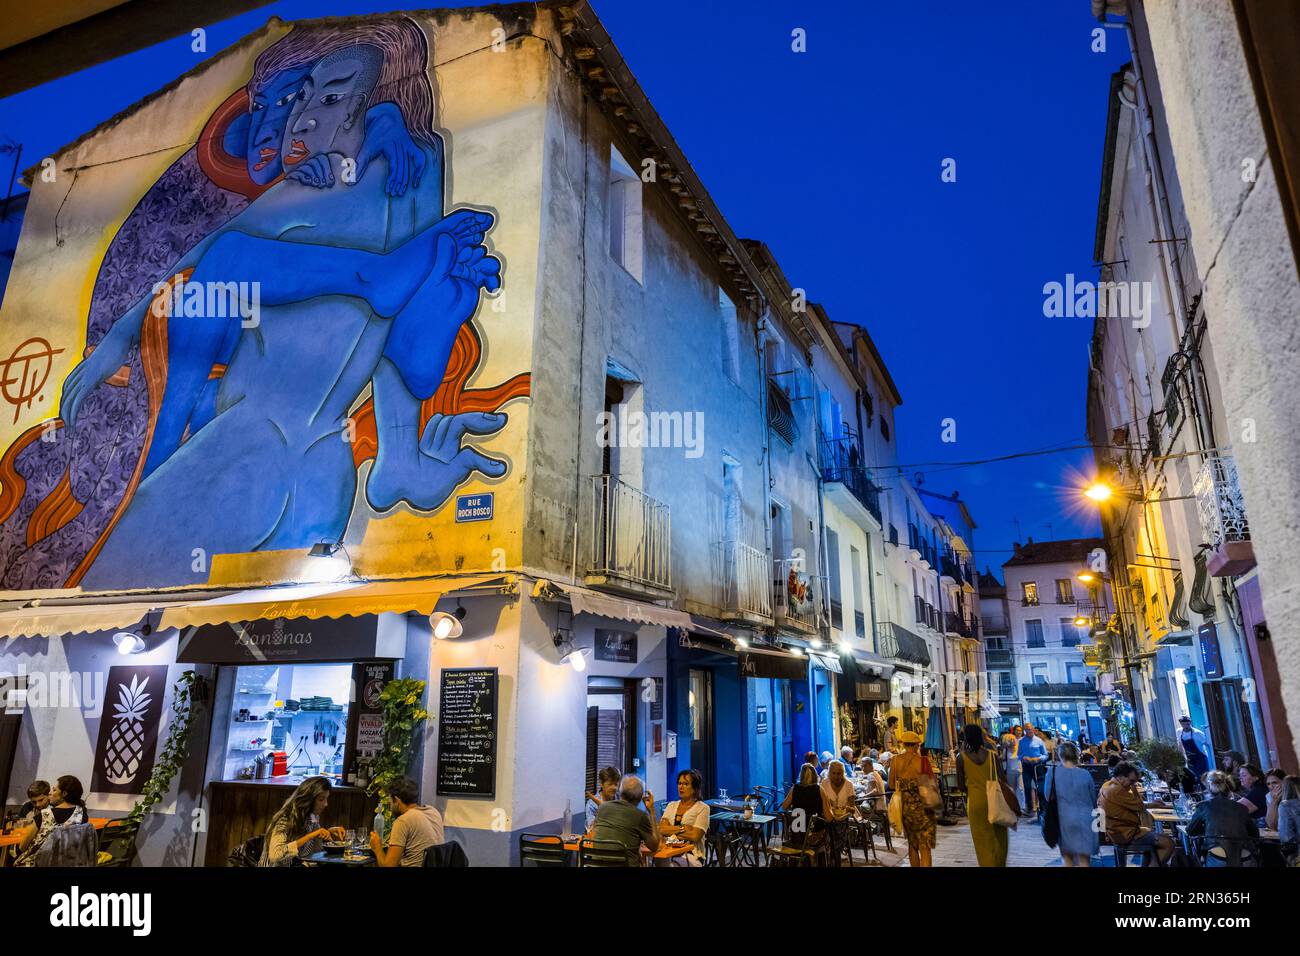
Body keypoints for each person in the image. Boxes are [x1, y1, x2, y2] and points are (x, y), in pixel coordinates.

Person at [1097, 762, 1174, 866]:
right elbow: (1139, 806)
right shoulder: (1117, 790)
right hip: (1125, 834)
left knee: (1151, 833)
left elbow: (1136, 805)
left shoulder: (1106, 786)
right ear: (1121, 777)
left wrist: (1152, 804)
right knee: (1168, 842)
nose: (1132, 784)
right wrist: (1134, 789)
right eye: (1132, 781)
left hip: (1115, 831)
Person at [259, 776, 346, 866]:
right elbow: (275, 855)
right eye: (321, 799)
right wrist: (311, 835)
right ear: (309, 799)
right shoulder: (285, 819)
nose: (326, 804)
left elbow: (317, 848)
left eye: (326, 798)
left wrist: (329, 832)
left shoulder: (312, 816)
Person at [955, 723, 1008, 866]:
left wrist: (972, 788)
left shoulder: (961, 758)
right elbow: (1003, 779)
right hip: (994, 800)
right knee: (998, 838)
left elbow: (960, 785)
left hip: (976, 802)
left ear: (965, 738)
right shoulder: (992, 755)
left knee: (982, 842)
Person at [1185, 770, 1258, 866]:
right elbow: (1255, 834)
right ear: (1229, 788)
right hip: (1243, 856)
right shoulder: (1242, 808)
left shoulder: (1204, 806)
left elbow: (1190, 830)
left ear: (1209, 789)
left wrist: (1207, 828)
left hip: (1217, 854)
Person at [14, 775, 89, 867]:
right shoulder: (82, 814)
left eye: (54, 790)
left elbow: (22, 847)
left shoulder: (46, 815)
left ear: (64, 794)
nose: (50, 793)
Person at [370, 776, 444, 867]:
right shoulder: (433, 812)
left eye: (390, 802)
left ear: (397, 800)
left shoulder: (403, 820)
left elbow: (388, 866)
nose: (390, 807)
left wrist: (377, 847)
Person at [1044, 741, 1098, 867]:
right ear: (1076, 755)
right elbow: (1093, 799)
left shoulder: (1052, 772)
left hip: (1064, 819)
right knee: (1084, 860)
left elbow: (1048, 797)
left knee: (1067, 859)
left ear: (1060, 755)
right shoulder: (1085, 774)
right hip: (1086, 819)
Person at [888, 730, 937, 867]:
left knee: (913, 846)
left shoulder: (895, 760)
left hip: (906, 808)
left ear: (903, 744)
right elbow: (931, 786)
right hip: (923, 808)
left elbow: (891, 785)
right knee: (925, 847)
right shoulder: (923, 761)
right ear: (916, 745)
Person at [591, 775, 658, 866]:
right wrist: (652, 811)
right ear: (640, 797)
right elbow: (654, 846)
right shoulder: (640, 815)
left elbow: (594, 836)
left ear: (620, 792)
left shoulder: (603, 807)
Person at [659, 769, 710, 866]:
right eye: (679, 783)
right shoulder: (671, 805)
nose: (681, 787)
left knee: (672, 864)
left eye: (686, 784)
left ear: (695, 788)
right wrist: (683, 828)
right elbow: (661, 830)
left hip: (691, 854)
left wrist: (670, 831)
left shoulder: (703, 808)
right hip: (668, 851)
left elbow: (695, 836)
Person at [782, 764, 830, 854]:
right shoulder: (819, 789)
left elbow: (784, 806)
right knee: (830, 833)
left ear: (801, 775)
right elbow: (829, 817)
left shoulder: (795, 788)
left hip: (796, 835)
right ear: (815, 775)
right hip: (814, 836)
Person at [1018, 723, 1048, 817]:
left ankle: (1042, 808)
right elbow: (1019, 755)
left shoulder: (1039, 741)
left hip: (1038, 766)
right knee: (1027, 787)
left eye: (1030, 729)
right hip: (1026, 766)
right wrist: (1024, 757)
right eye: (1026, 730)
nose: (1028, 731)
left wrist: (1039, 759)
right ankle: (1029, 808)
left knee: (1040, 788)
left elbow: (1045, 755)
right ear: (1024, 730)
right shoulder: (1021, 741)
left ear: (1033, 729)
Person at [585, 766, 621, 832]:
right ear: (601, 783)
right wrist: (603, 810)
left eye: (616, 784)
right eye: (610, 784)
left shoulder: (621, 799)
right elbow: (591, 829)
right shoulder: (592, 804)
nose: (614, 788)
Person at [1001, 725, 1023, 803]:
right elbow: (1003, 759)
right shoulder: (1005, 751)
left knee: (1020, 788)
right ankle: (1014, 804)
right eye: (1010, 740)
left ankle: (1021, 806)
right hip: (1009, 771)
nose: (1013, 742)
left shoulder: (1020, 746)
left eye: (1013, 740)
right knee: (1011, 788)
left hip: (1020, 770)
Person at [1264, 768, 1287, 832]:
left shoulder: (1292, 793)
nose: (1271, 787)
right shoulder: (1269, 796)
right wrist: (1274, 802)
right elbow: (1271, 825)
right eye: (1268, 784)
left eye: (1274, 782)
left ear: (1284, 782)